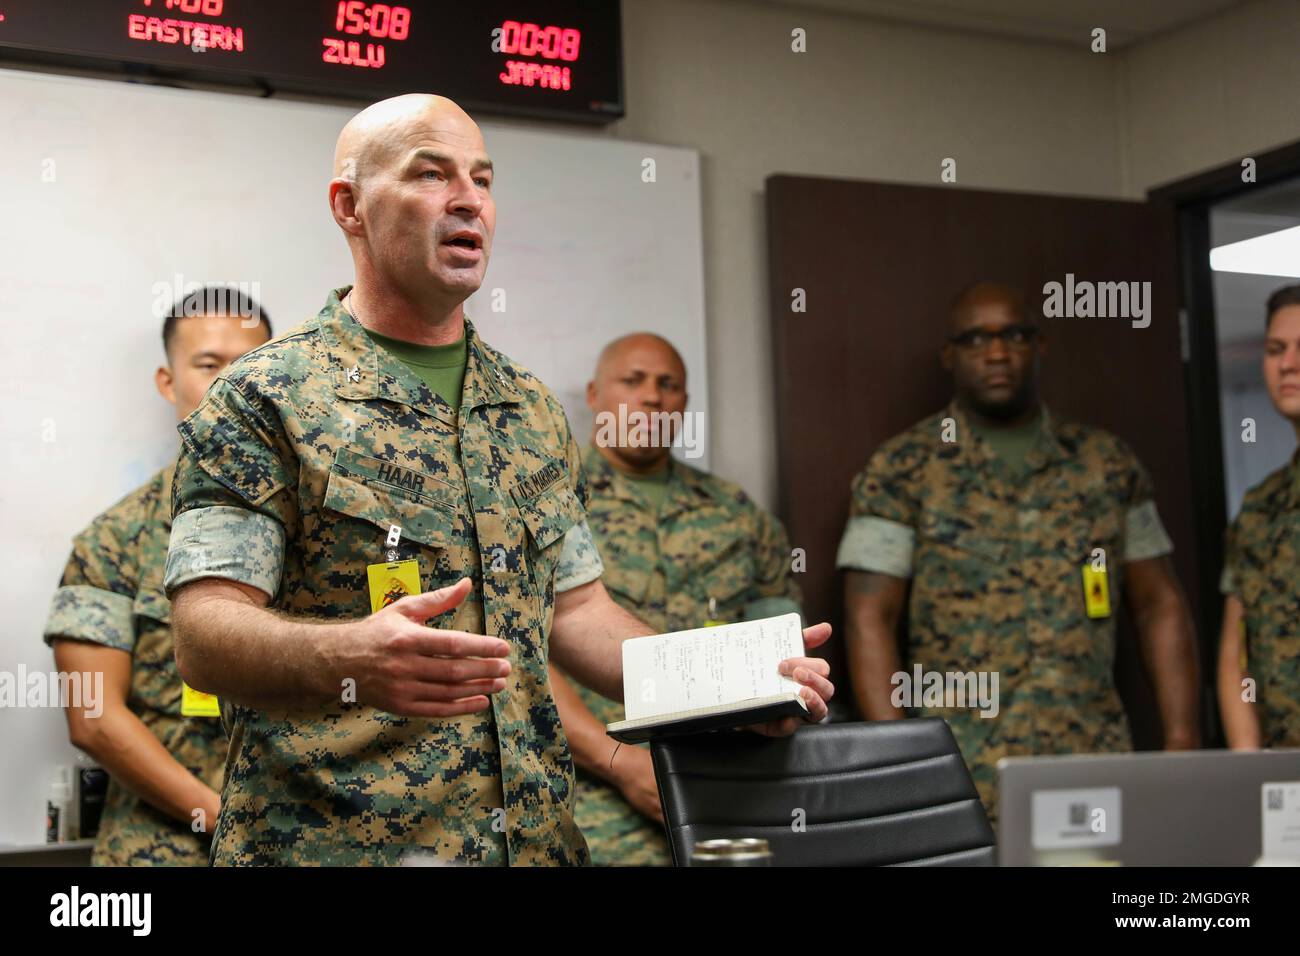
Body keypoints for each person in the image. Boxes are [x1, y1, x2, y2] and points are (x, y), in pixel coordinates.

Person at [163, 93, 833, 866]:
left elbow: (581, 613)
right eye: (430, 174)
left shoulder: (529, 407)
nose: (468, 201)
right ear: (349, 206)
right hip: (341, 847)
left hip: (535, 847)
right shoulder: (265, 396)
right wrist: (351, 658)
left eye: (482, 179)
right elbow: (203, 636)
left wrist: (736, 684)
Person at [837, 280, 1199, 825]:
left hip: (1089, 760)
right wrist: (899, 762)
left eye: (1014, 335)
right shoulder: (902, 469)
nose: (998, 353)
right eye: (976, 339)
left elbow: (1158, 605)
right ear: (949, 355)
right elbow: (869, 618)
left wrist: (1182, 737)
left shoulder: (1106, 464)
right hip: (959, 770)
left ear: (1041, 345)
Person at [549, 332, 804, 865]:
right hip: (591, 783)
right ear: (595, 394)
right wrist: (619, 763)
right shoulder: (551, 503)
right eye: (632, 381)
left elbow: (776, 652)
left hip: (727, 781)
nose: (651, 397)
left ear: (684, 404)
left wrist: (790, 680)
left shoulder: (736, 514)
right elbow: (523, 655)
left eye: (669, 385)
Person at [44, 287, 271, 865]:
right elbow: (93, 718)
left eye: (250, 366)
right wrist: (218, 818)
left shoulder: (326, 524)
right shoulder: (112, 540)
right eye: (208, 365)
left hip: (307, 837)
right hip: (160, 849)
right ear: (168, 383)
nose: (231, 385)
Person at [1218, 284, 1300, 749]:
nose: (1287, 364)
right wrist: (1251, 776)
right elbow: (1235, 659)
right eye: (1275, 349)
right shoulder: (1261, 509)